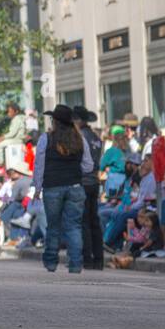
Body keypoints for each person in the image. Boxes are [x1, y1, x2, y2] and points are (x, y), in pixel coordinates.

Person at [32, 105, 91, 273]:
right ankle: (75, 264)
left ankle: (51, 262)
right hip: (75, 186)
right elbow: (88, 166)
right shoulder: (80, 139)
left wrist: (37, 187)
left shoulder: (47, 139)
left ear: (55, 121)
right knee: (74, 226)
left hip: (52, 187)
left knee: (53, 226)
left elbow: (39, 165)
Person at [74, 106, 105, 270]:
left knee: (84, 221)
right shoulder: (95, 137)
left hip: (83, 182)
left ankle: (87, 258)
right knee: (94, 221)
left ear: (78, 120)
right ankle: (99, 258)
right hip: (94, 181)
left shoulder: (79, 137)